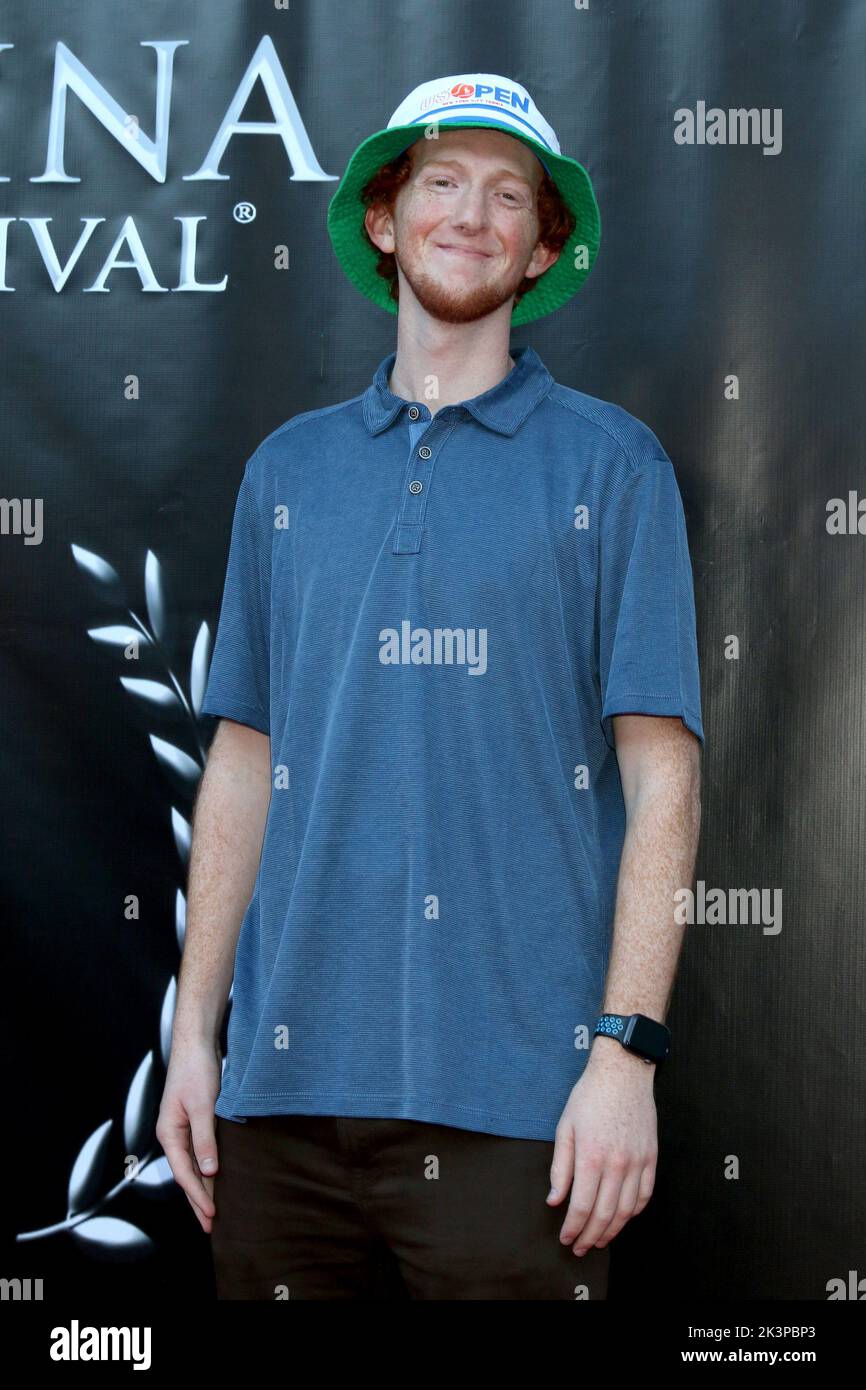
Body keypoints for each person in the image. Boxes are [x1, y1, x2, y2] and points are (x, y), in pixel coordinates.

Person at [157, 73, 704, 1300]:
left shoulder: (615, 467)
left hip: (522, 1109)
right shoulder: (284, 472)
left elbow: (661, 772)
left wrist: (625, 1057)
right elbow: (242, 762)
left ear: (542, 244)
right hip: (280, 1108)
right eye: (440, 182)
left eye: (507, 194)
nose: (471, 214)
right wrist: (194, 1037)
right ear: (383, 220)